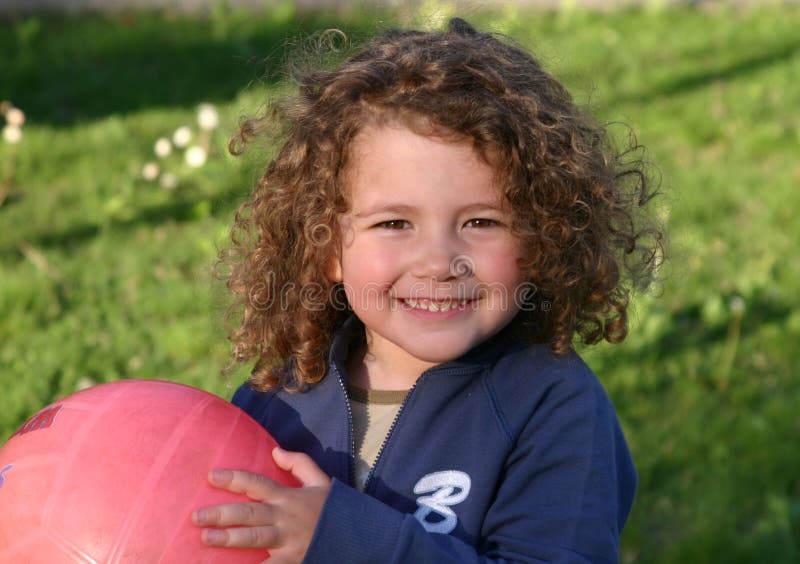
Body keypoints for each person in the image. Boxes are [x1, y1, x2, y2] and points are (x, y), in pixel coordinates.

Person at [192, 17, 663, 563]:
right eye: (394, 224)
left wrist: (343, 538)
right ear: (326, 248)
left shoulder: (554, 408)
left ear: (544, 237)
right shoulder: (278, 395)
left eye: (482, 222)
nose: (439, 263)